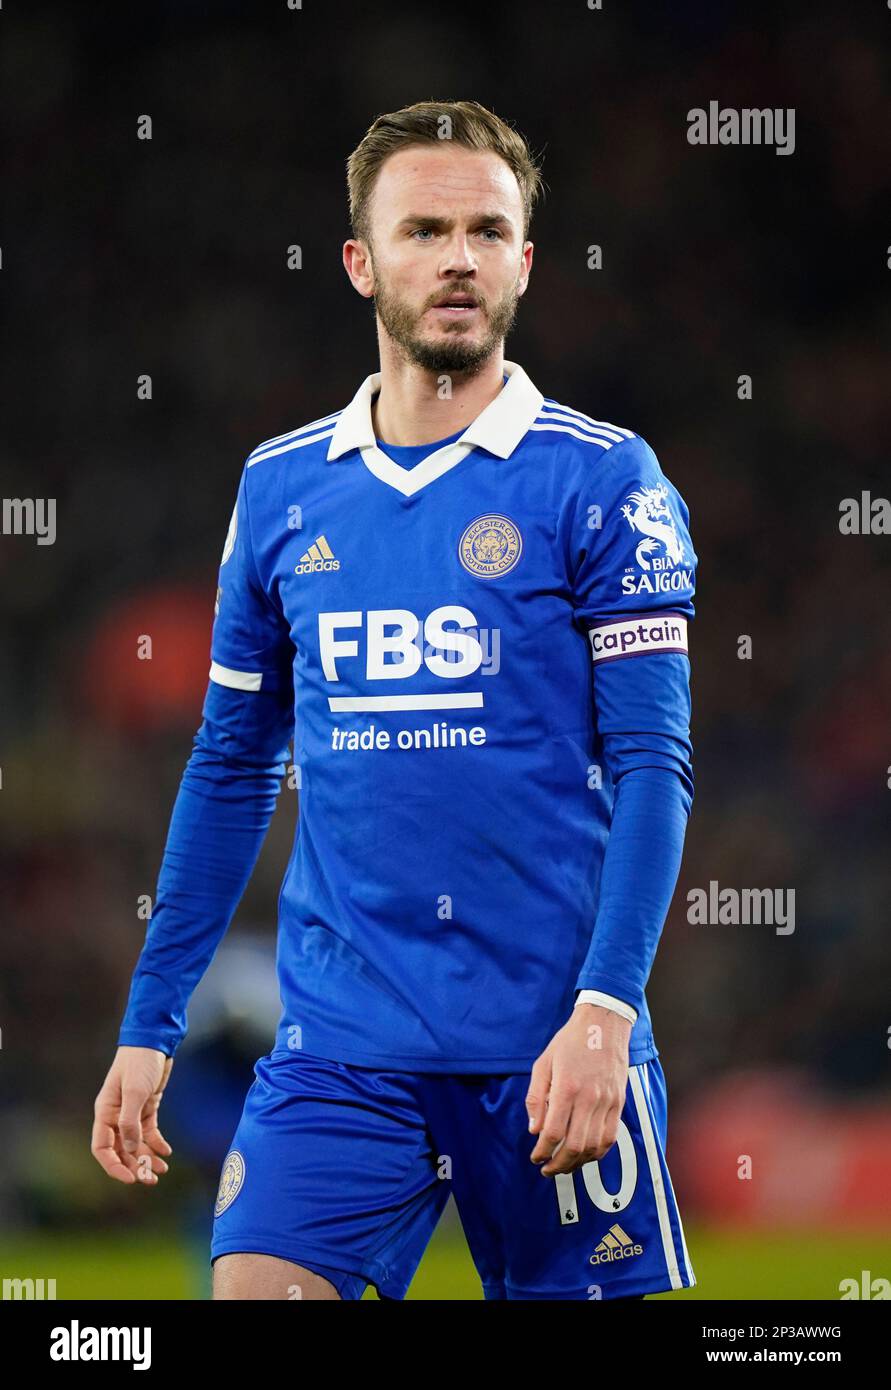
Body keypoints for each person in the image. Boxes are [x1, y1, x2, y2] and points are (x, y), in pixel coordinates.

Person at [92, 99, 698, 1301]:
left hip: (550, 1044)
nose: (459, 256)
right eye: (425, 229)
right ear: (364, 263)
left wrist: (603, 1014)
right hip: (343, 1052)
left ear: (526, 259)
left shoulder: (602, 479)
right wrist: (150, 1019)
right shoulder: (280, 490)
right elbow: (229, 767)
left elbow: (652, 767)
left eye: (487, 229)